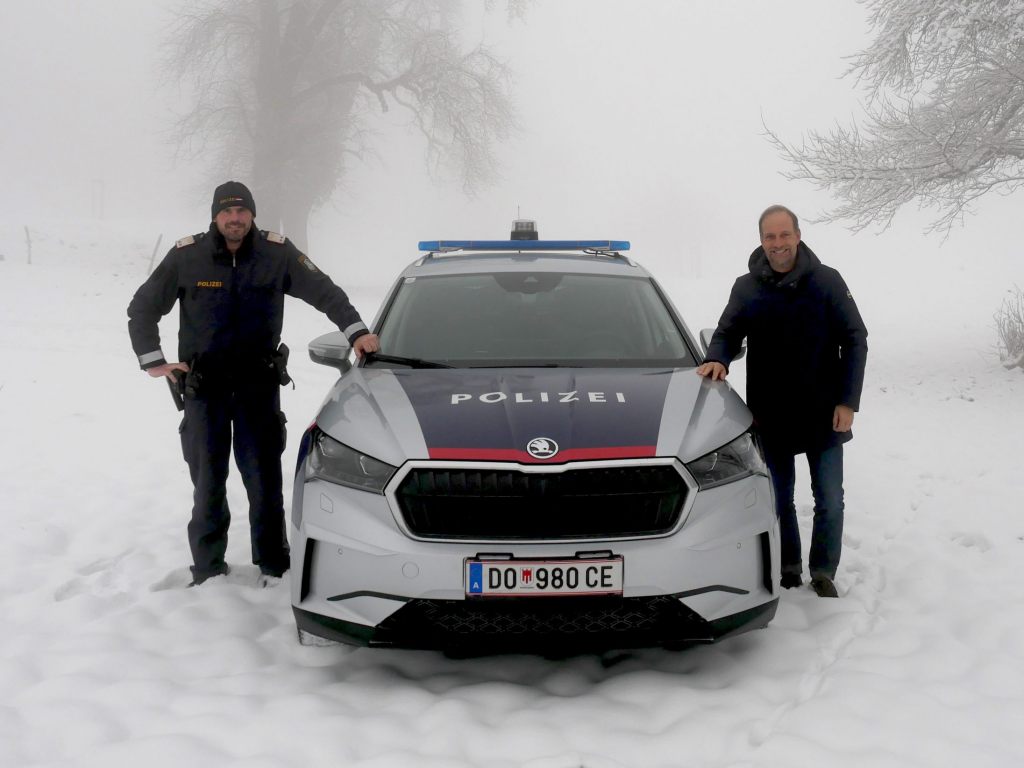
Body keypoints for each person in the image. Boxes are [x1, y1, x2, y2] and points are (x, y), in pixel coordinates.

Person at [128, 181, 380, 586]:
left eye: (242, 211)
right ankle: (208, 568)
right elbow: (142, 308)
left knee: (264, 481)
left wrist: (356, 331)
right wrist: (153, 361)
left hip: (257, 388)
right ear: (215, 216)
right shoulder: (187, 256)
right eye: (227, 212)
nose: (235, 219)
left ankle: (274, 565)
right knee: (207, 483)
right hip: (204, 389)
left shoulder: (276, 254)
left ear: (252, 214)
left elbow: (325, 291)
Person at [696, 205, 867, 598]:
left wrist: (848, 402)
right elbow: (727, 332)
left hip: (824, 411)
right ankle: (787, 565)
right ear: (761, 241)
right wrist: (716, 359)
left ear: (798, 235)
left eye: (784, 235)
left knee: (829, 499)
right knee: (779, 497)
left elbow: (855, 338)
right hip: (770, 413)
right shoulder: (747, 286)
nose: (778, 244)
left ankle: (823, 570)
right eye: (770, 237)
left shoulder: (827, 281)